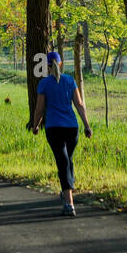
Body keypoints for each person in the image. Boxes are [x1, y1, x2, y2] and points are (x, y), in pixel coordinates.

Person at [31, 51, 91, 216]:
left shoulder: (44, 84)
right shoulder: (70, 80)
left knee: (63, 162)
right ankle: (67, 192)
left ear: (47, 66)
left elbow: (39, 109)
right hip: (72, 128)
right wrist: (87, 125)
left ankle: (69, 203)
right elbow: (79, 104)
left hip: (54, 128)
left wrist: (35, 126)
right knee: (66, 160)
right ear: (61, 64)